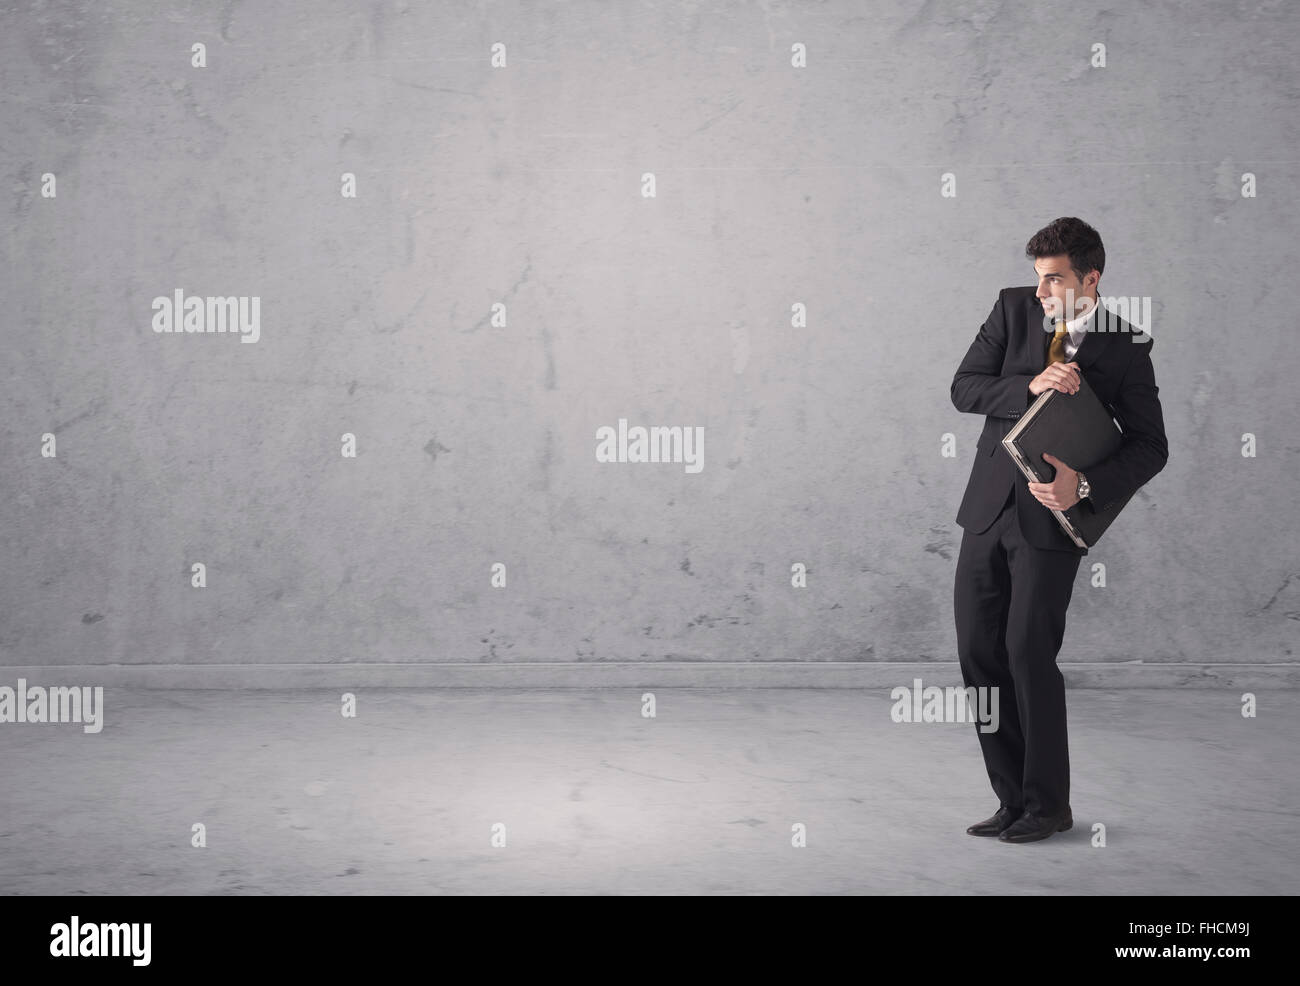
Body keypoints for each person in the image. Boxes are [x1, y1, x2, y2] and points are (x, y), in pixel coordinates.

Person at [950, 217, 1169, 843]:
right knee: (977, 654)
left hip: (1052, 520)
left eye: (1054, 281)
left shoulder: (1126, 347)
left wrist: (1086, 486)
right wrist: (1029, 386)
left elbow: (1150, 448)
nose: (1042, 293)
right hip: (987, 511)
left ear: (1090, 279)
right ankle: (1011, 798)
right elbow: (964, 388)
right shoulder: (1012, 310)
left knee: (1026, 653)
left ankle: (1050, 805)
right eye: (1038, 280)